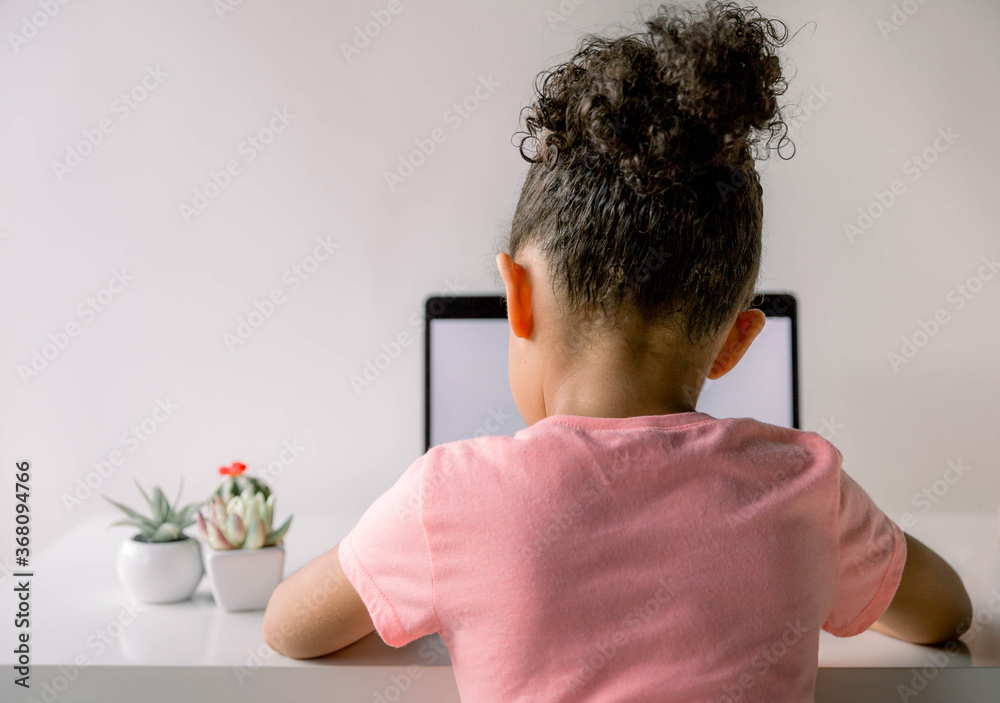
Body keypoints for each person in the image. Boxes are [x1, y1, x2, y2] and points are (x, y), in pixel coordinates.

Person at [262, 2, 973, 700]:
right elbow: (947, 612)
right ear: (735, 342)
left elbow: (289, 625)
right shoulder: (804, 486)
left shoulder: (449, 498)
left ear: (517, 296)